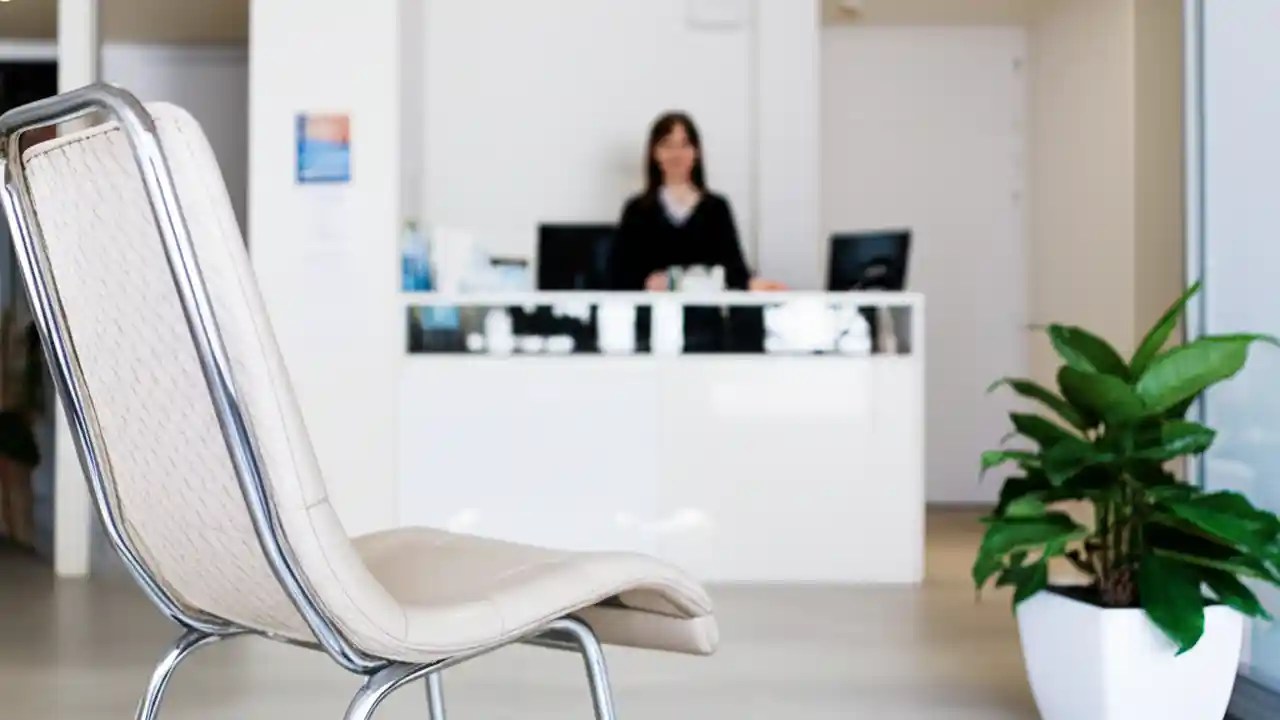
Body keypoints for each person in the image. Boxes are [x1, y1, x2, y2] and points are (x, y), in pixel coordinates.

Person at [609, 112, 785, 292]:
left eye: (684, 145)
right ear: (654, 153)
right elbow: (619, 276)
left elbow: (734, 271)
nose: (676, 154)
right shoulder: (637, 210)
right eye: (667, 145)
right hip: (653, 313)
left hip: (704, 314)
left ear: (696, 152)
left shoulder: (716, 208)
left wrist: (753, 284)